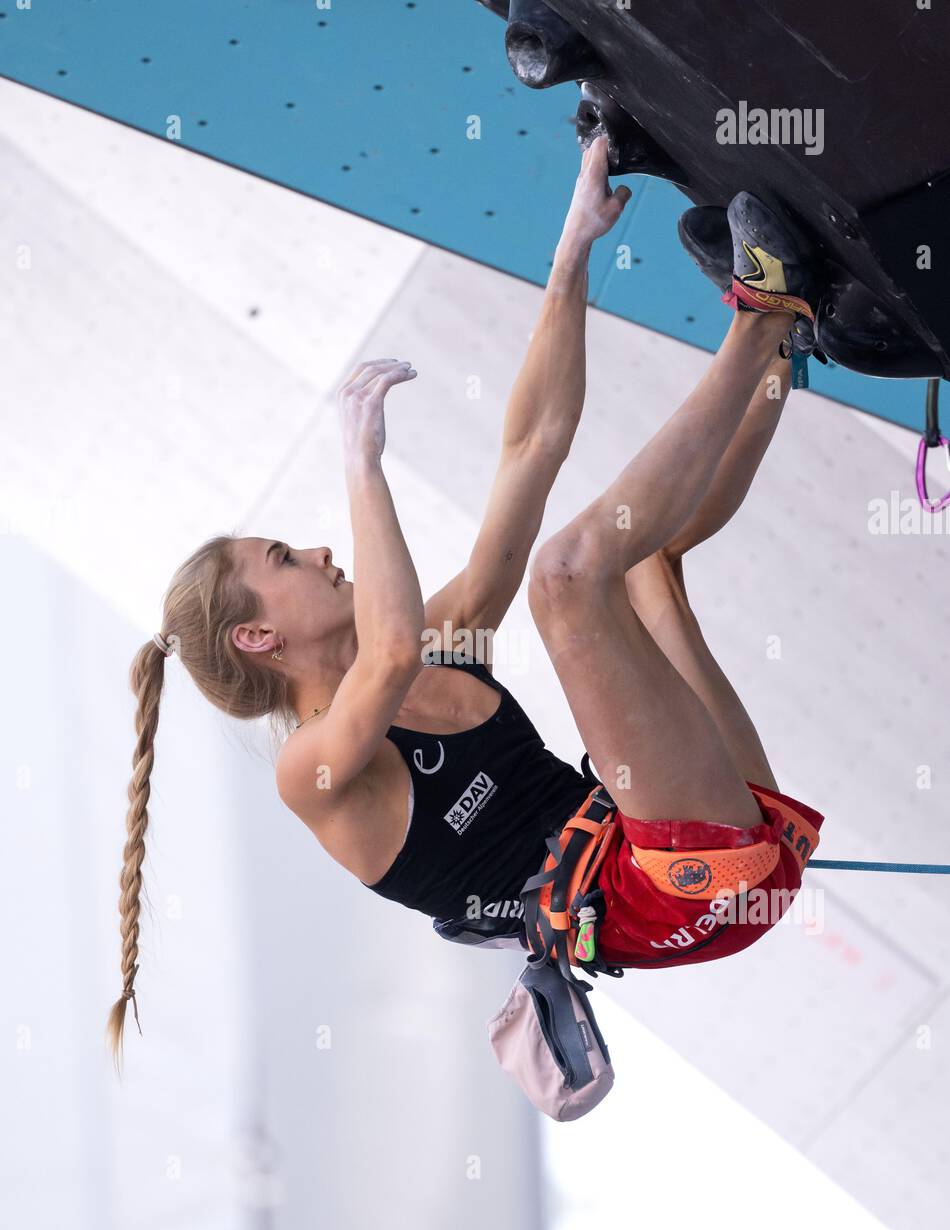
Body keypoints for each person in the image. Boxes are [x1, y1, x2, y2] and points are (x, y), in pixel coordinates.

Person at [107, 135, 823, 1067]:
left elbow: (534, 445)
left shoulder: (442, 641)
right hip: (683, 887)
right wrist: (363, 466)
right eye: (285, 556)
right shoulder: (315, 773)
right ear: (259, 635)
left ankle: (784, 352)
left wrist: (573, 248)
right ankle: (765, 310)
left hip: (722, 834)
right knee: (566, 580)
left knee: (642, 564)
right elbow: (392, 651)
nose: (320, 549)